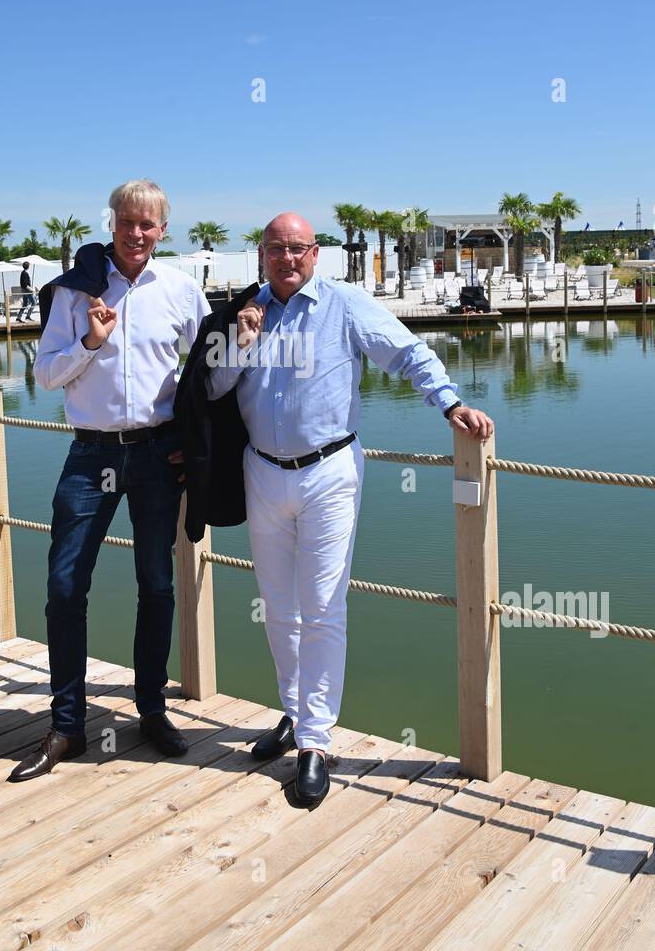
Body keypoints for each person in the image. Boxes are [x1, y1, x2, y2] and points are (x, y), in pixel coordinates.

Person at [206, 213, 494, 806]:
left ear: (315, 254)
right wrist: (240, 345)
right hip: (261, 470)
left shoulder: (345, 304)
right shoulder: (241, 312)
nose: (287, 258)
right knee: (278, 607)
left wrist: (451, 405)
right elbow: (210, 389)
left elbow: (410, 354)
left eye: (298, 248)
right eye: (276, 249)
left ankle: (315, 741)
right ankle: (293, 714)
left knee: (322, 606)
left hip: (328, 471)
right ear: (261, 254)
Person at [8, 180, 210, 782]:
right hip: (89, 455)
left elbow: (205, 372)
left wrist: (194, 446)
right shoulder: (75, 290)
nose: (137, 234)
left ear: (162, 231)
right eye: (128, 222)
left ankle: (151, 709)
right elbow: (45, 375)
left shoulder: (179, 289)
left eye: (149, 225)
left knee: (157, 585)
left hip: (156, 456)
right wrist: (91, 341)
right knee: (65, 587)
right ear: (113, 222)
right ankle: (66, 726)